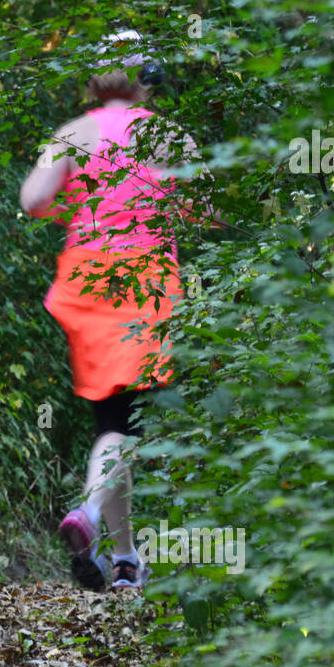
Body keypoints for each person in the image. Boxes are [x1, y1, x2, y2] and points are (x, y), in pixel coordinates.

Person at [19, 29, 209, 591]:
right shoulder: (168, 137)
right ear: (147, 77)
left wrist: (74, 208)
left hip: (85, 286)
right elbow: (201, 208)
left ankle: (123, 559)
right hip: (144, 287)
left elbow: (33, 200)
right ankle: (89, 513)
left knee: (113, 421)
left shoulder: (74, 134)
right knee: (128, 424)